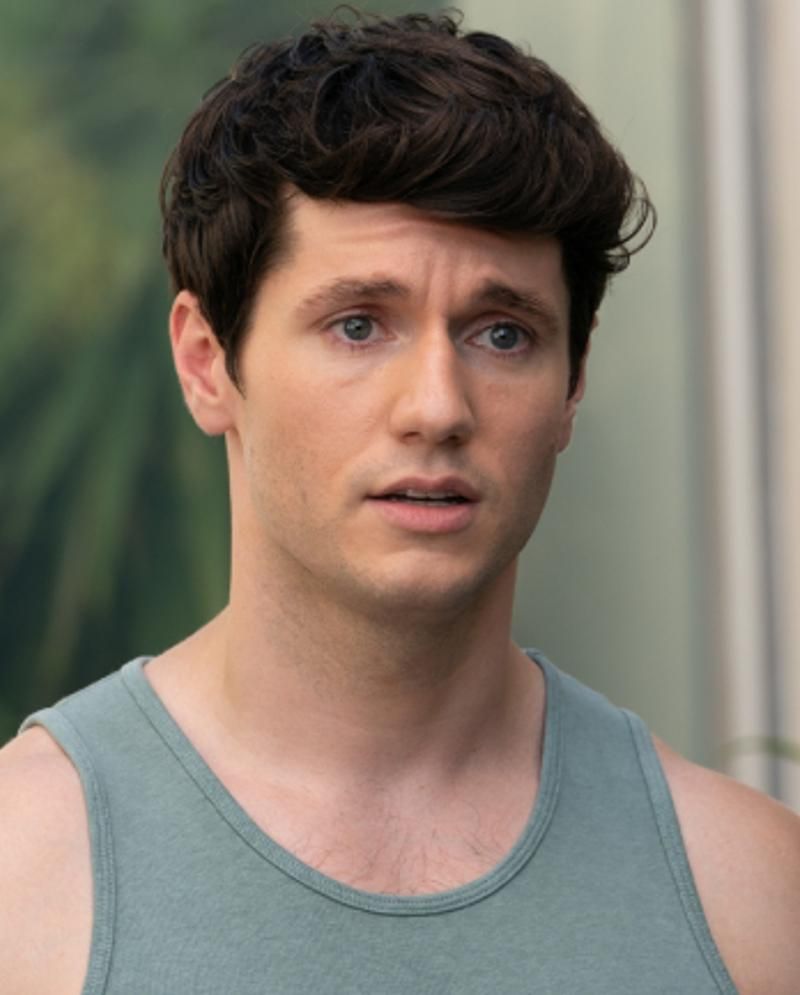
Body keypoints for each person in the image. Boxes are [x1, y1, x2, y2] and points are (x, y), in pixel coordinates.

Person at [2, 11, 798, 994]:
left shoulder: (753, 897)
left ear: (572, 382)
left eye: (502, 333)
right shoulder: (23, 878)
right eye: (357, 324)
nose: (437, 407)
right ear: (207, 363)